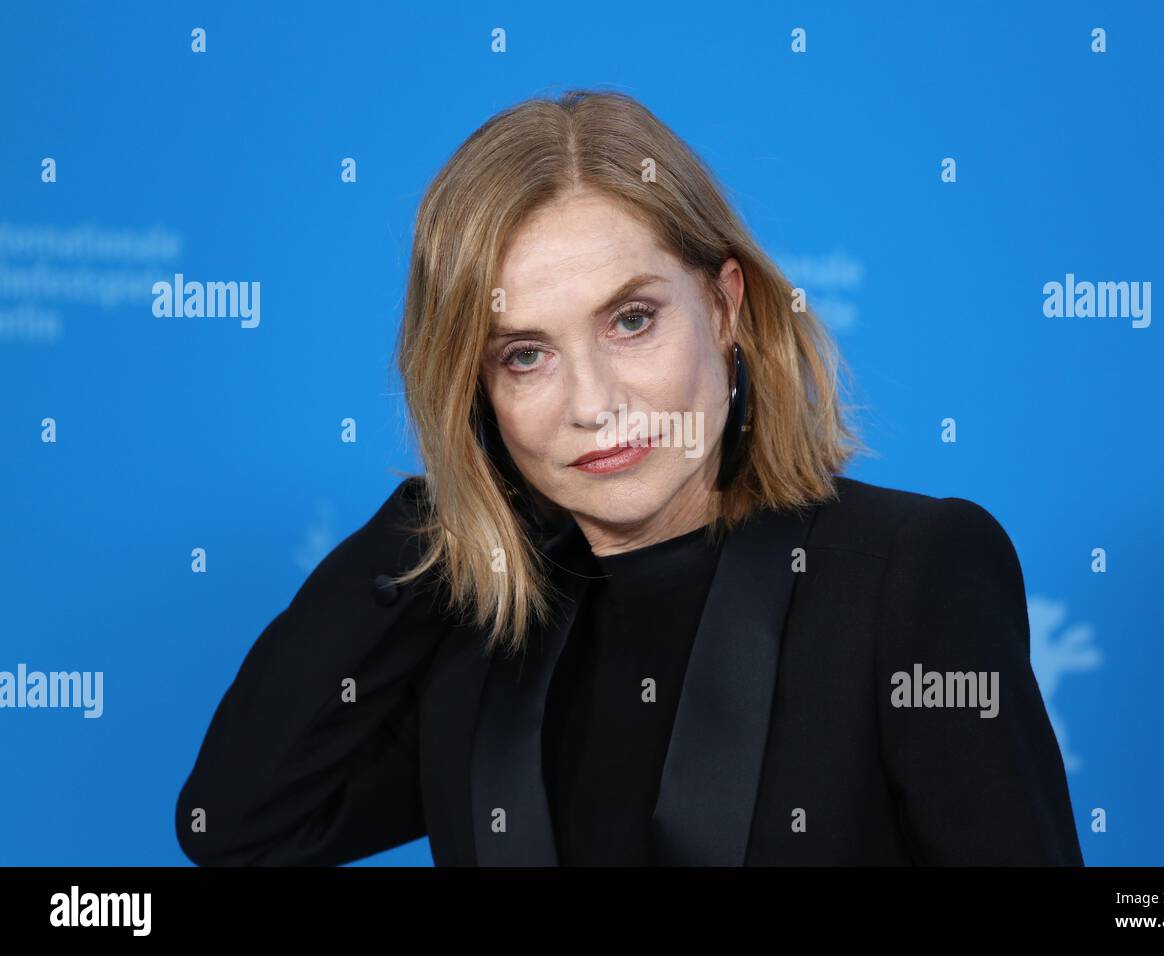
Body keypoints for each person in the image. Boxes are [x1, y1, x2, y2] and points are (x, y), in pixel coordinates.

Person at [174, 89, 1083, 867]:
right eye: (525, 356)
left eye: (632, 321)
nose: (594, 402)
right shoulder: (482, 629)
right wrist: (455, 502)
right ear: (474, 391)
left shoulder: (906, 573)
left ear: (726, 305)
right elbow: (238, 826)